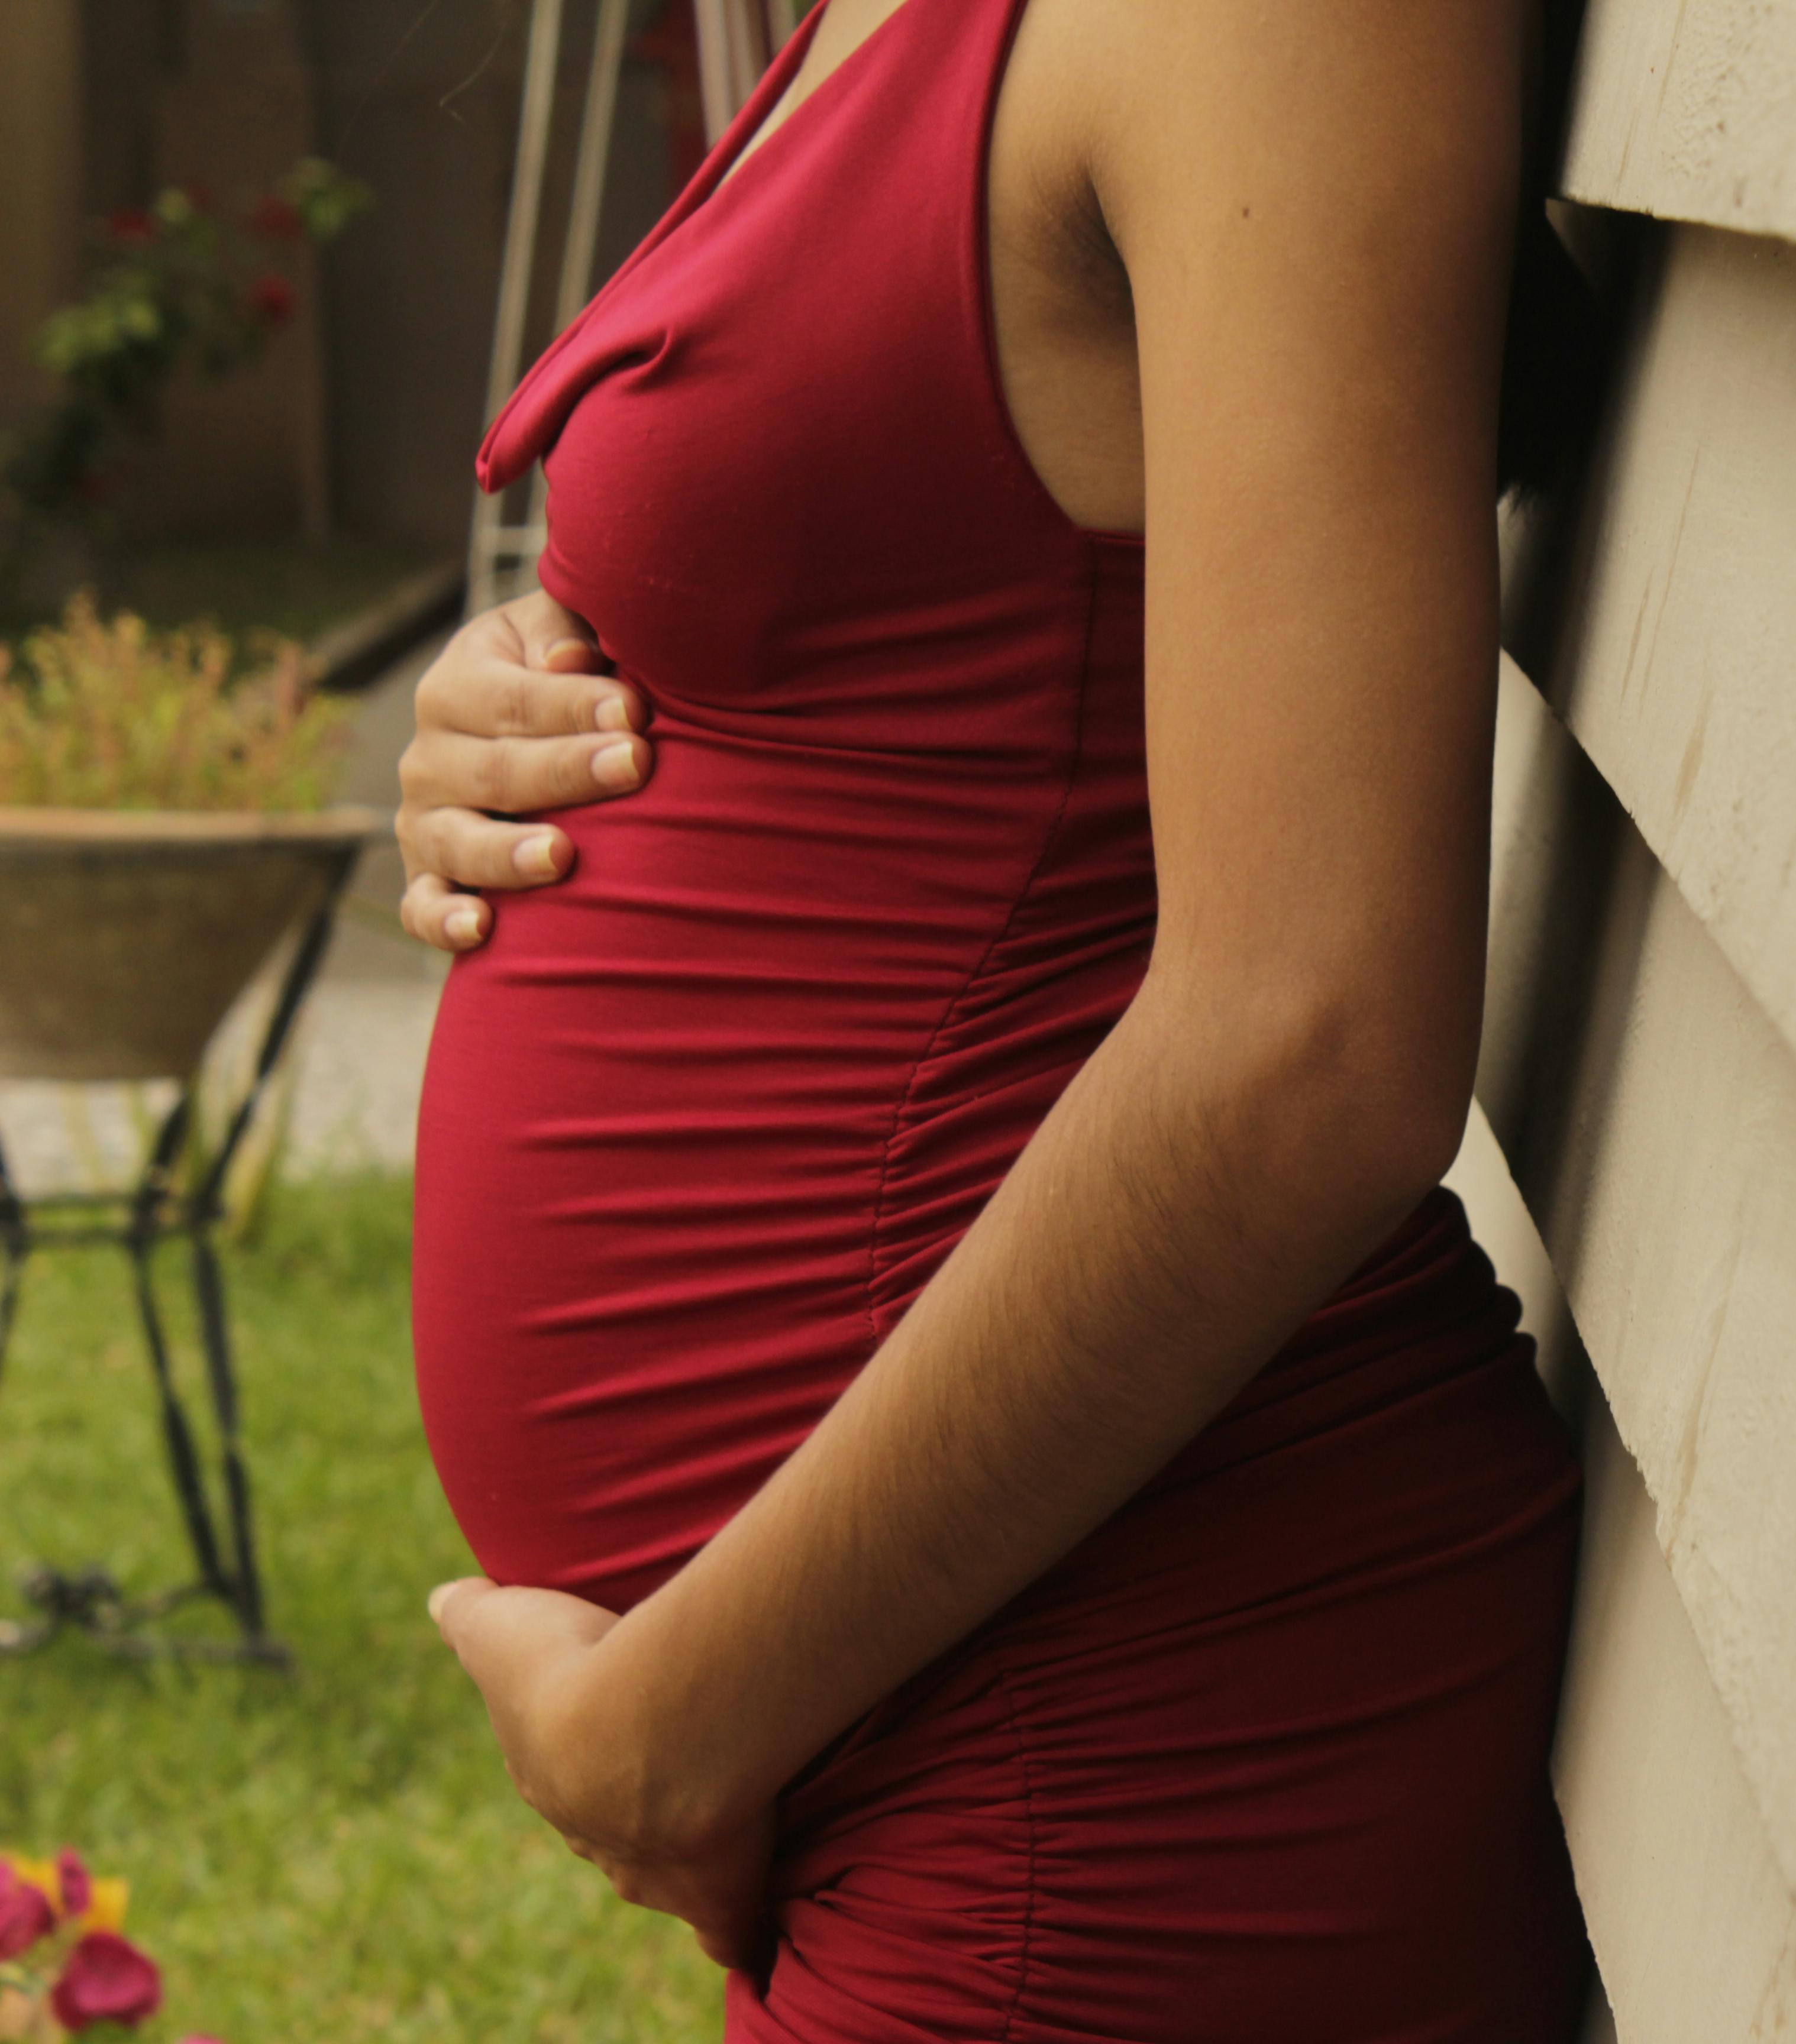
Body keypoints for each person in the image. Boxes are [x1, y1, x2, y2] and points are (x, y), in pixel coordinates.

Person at [394, 0, 1600, 2035]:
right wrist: (546, 693)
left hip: (1126, 1736)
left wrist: (663, 1733)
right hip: (942, 1705)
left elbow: (1312, 1044)